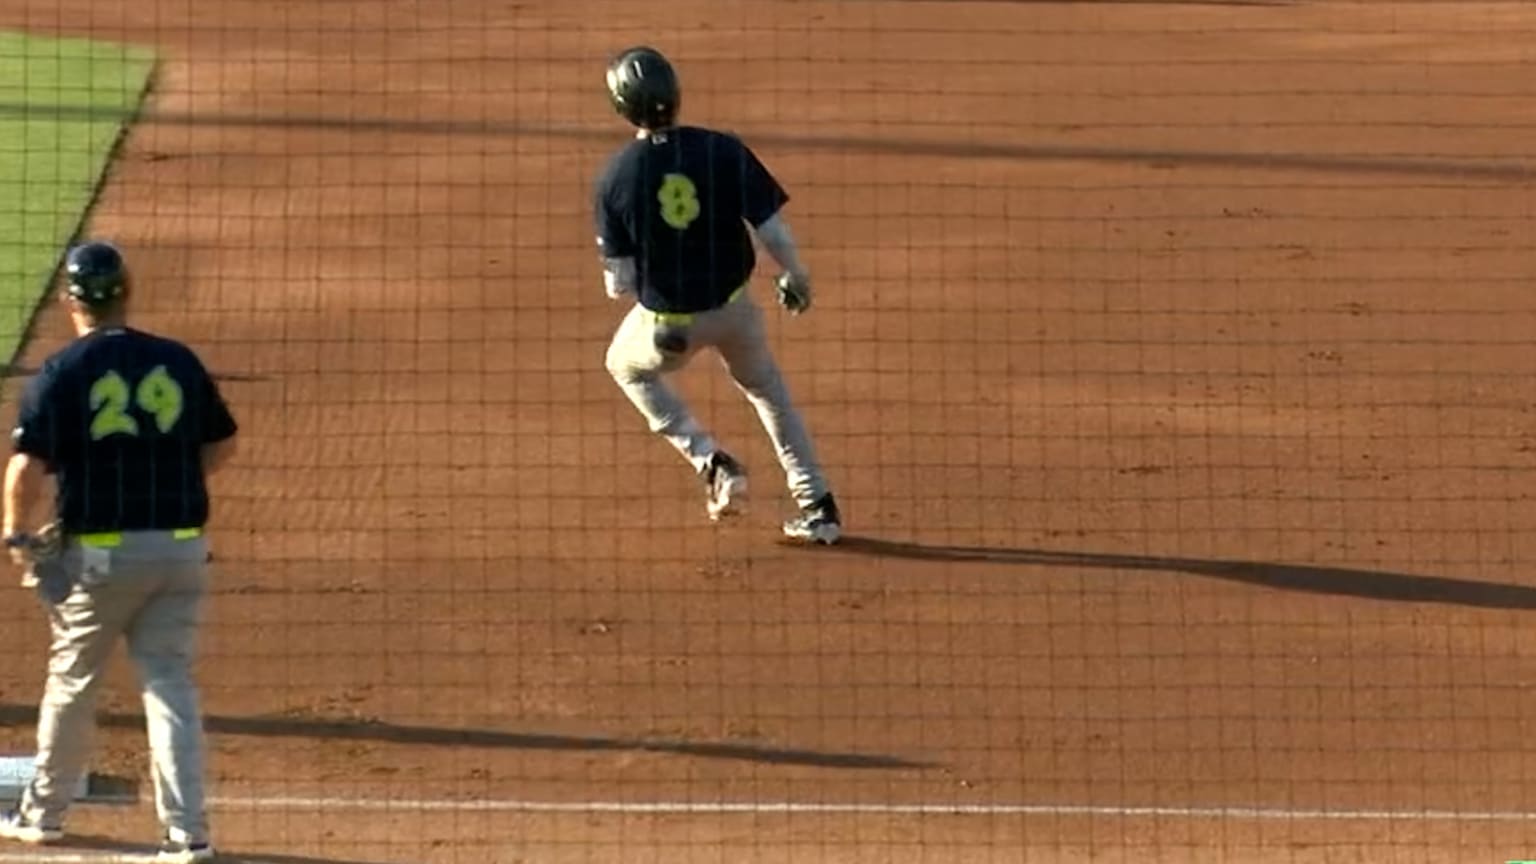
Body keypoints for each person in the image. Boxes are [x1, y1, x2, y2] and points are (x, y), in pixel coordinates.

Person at [0, 241, 239, 863]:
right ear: (127, 291)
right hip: (182, 550)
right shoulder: (177, 360)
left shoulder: (62, 371)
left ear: (69, 300)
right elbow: (219, 444)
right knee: (169, 685)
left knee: (75, 681)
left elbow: (28, 464)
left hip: (101, 559)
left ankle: (44, 816)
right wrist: (168, 487)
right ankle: (188, 835)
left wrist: (14, 532)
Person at [594, 45, 842, 544]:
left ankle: (711, 460)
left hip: (670, 325)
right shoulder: (720, 149)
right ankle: (818, 506)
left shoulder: (614, 178)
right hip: (735, 309)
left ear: (622, 107)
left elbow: (618, 284)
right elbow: (770, 228)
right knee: (768, 392)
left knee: (624, 365)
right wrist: (795, 275)